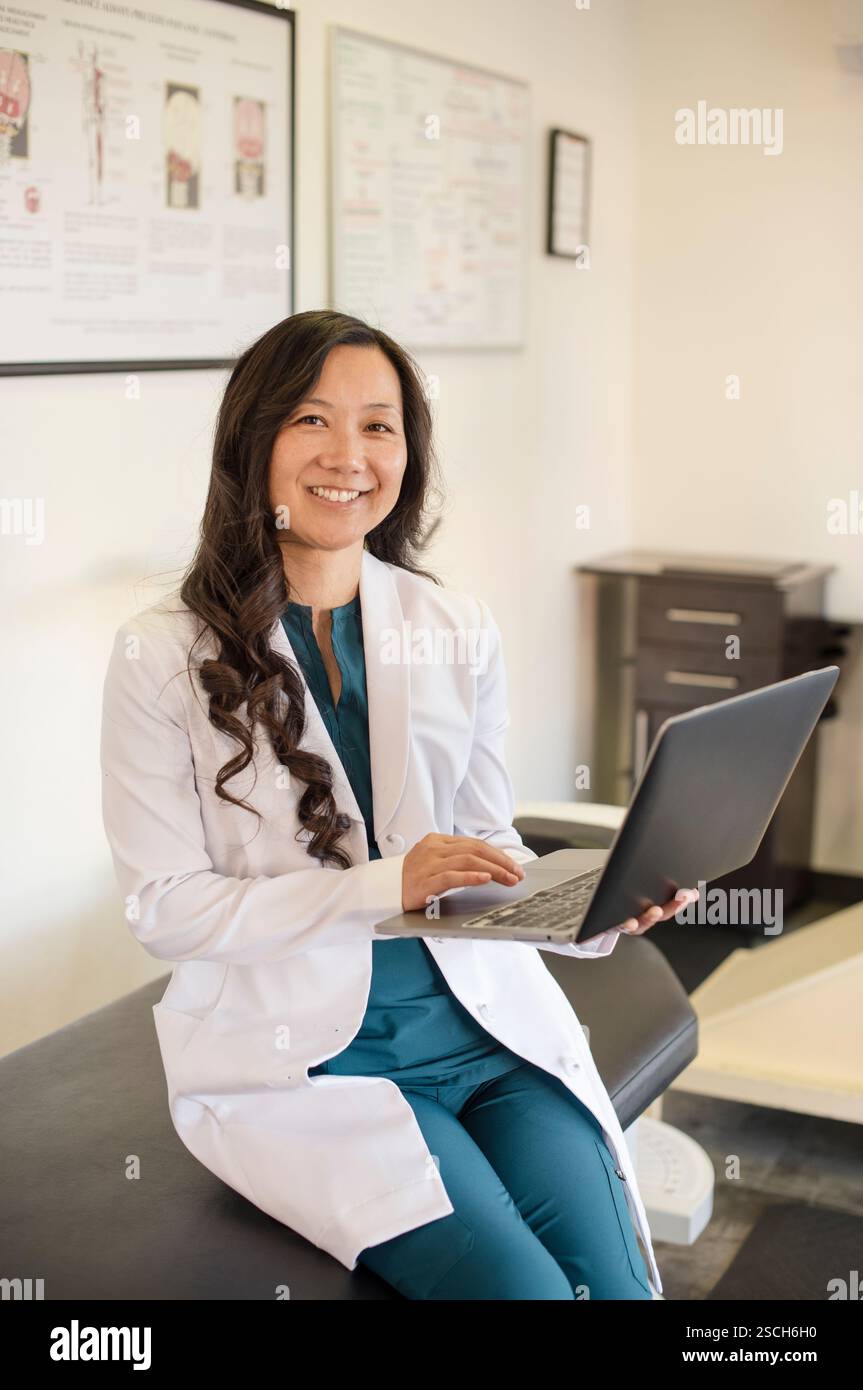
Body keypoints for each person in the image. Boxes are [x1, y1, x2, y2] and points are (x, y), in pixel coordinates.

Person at [100, 309, 698, 1300]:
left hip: (486, 1033)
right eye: (312, 420)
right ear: (254, 441)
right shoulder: (160, 651)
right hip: (313, 1064)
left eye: (379, 425)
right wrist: (386, 885)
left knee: (622, 1288)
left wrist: (593, 912)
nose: (350, 455)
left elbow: (488, 849)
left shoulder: (452, 625)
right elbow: (164, 907)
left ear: (408, 452)